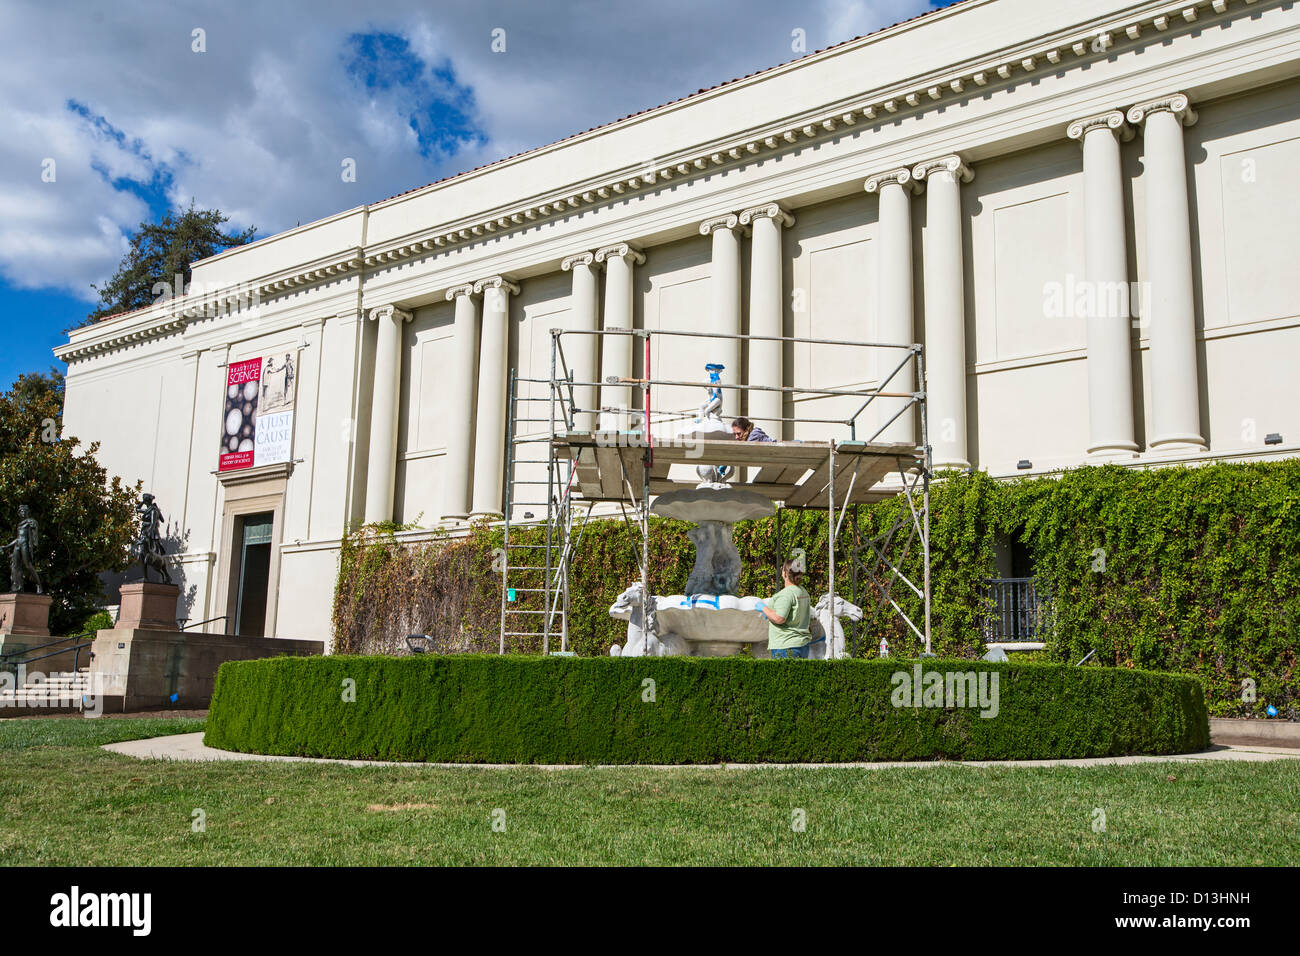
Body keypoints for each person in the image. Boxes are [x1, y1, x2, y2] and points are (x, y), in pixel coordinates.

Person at [757, 559, 812, 658]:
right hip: (802, 645)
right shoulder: (803, 592)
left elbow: (779, 618)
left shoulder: (786, 594)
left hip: (786, 646)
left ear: (784, 573)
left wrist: (763, 608)